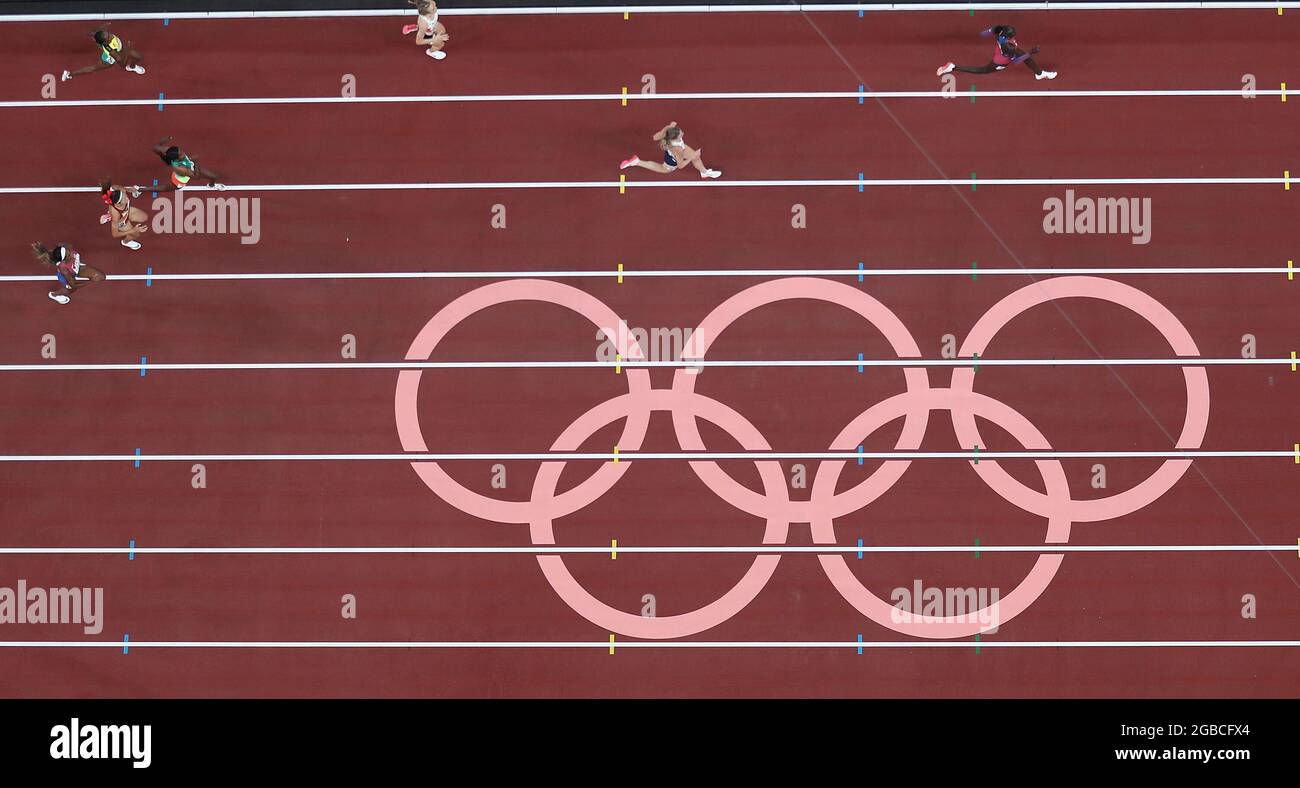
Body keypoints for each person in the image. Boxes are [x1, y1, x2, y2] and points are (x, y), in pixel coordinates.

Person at [936, 25, 1057, 80]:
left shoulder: (999, 30)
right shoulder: (1008, 47)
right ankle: (953, 67)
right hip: (1000, 62)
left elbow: (984, 33)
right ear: (1008, 36)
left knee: (1027, 59)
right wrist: (1031, 52)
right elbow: (1016, 61)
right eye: (1013, 35)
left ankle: (1039, 73)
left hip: (1000, 50)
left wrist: (982, 34)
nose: (1014, 36)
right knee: (982, 70)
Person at [620, 122, 722, 179]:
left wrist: (667, 127)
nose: (683, 132)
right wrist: (692, 156)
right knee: (663, 169)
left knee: (697, 157)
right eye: (681, 133)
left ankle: (704, 172)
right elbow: (680, 166)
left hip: (680, 147)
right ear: (675, 137)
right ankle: (637, 162)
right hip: (672, 160)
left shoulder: (669, 131)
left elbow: (655, 137)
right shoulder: (677, 150)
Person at [61, 26, 145, 81]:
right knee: (94, 68)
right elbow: (122, 64)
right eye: (107, 36)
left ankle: (132, 67)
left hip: (120, 49)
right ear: (105, 41)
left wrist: (102, 27)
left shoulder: (103, 35)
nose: (109, 34)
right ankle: (69, 74)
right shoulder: (111, 49)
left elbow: (95, 33)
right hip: (112, 58)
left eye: (107, 33)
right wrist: (129, 48)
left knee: (139, 57)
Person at [31, 242, 106, 304]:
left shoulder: (65, 248)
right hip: (67, 277)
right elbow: (73, 284)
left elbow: (66, 246)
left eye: (67, 250)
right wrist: (90, 282)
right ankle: (54, 295)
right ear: (64, 260)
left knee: (101, 276)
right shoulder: (64, 270)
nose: (69, 251)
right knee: (72, 289)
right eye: (68, 253)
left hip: (76, 267)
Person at [151, 137, 226, 191]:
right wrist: (195, 162)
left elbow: (155, 147)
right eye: (181, 154)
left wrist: (166, 139)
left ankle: (211, 185)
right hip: (181, 179)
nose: (183, 153)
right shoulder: (180, 168)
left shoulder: (171, 152)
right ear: (176, 158)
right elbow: (196, 177)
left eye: (181, 151)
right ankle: (140, 189)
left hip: (190, 168)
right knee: (165, 188)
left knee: (214, 177)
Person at [99, 179, 148, 251]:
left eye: (124, 195)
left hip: (126, 211)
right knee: (135, 234)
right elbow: (115, 234)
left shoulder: (122, 191)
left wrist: (133, 190)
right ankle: (125, 242)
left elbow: (119, 188)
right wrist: (133, 230)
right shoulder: (115, 214)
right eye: (124, 199)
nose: (127, 198)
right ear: (118, 204)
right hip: (121, 221)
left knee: (144, 217)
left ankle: (109, 216)